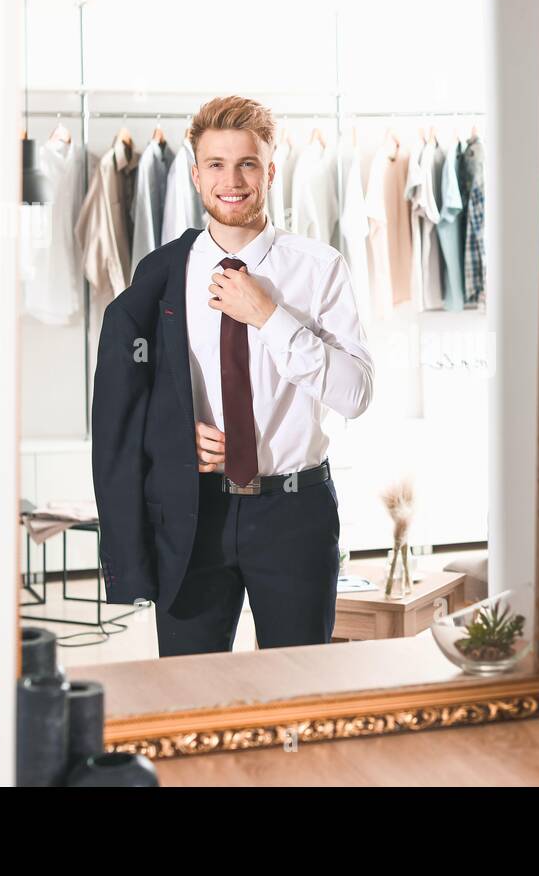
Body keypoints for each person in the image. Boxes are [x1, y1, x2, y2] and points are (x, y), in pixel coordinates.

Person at [91, 95, 374, 656]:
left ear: (270, 170)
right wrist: (170, 437)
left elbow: (356, 394)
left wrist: (269, 317)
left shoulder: (320, 269)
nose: (232, 180)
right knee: (189, 694)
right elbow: (124, 404)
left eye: (247, 163)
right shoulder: (161, 274)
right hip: (194, 513)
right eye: (216, 165)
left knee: (301, 694)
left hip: (295, 513)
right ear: (195, 175)